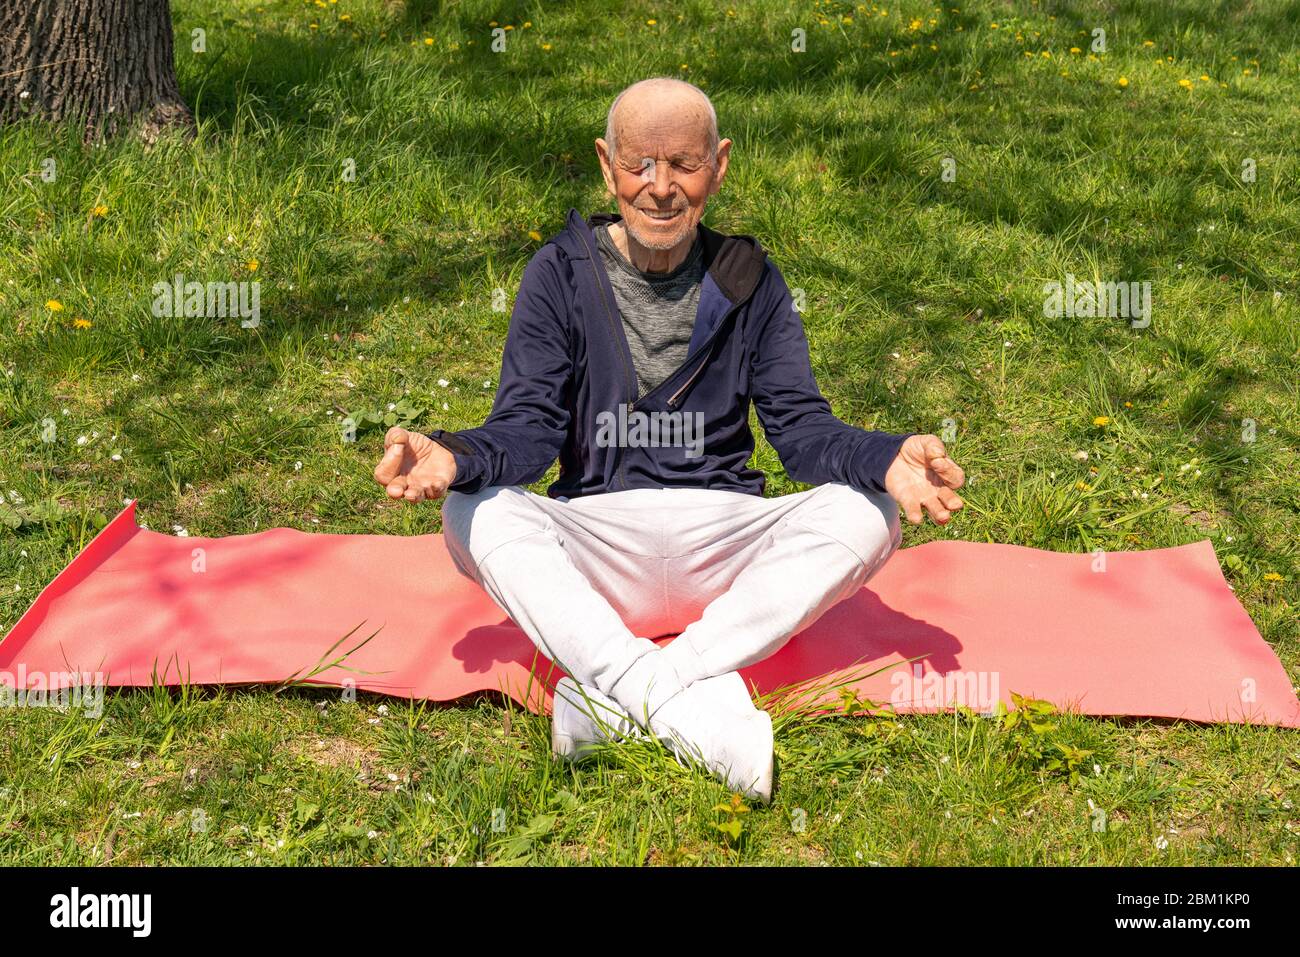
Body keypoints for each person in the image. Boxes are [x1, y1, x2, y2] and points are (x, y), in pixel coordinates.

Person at [372, 77, 965, 802]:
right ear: (606, 164)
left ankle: (619, 700)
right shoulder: (559, 274)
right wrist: (455, 454)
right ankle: (687, 709)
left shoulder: (751, 281)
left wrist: (885, 459)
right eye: (639, 165)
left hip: (723, 543)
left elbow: (803, 433)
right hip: (597, 545)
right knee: (473, 512)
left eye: (684, 164)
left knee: (871, 514)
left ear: (719, 165)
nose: (659, 188)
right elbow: (526, 428)